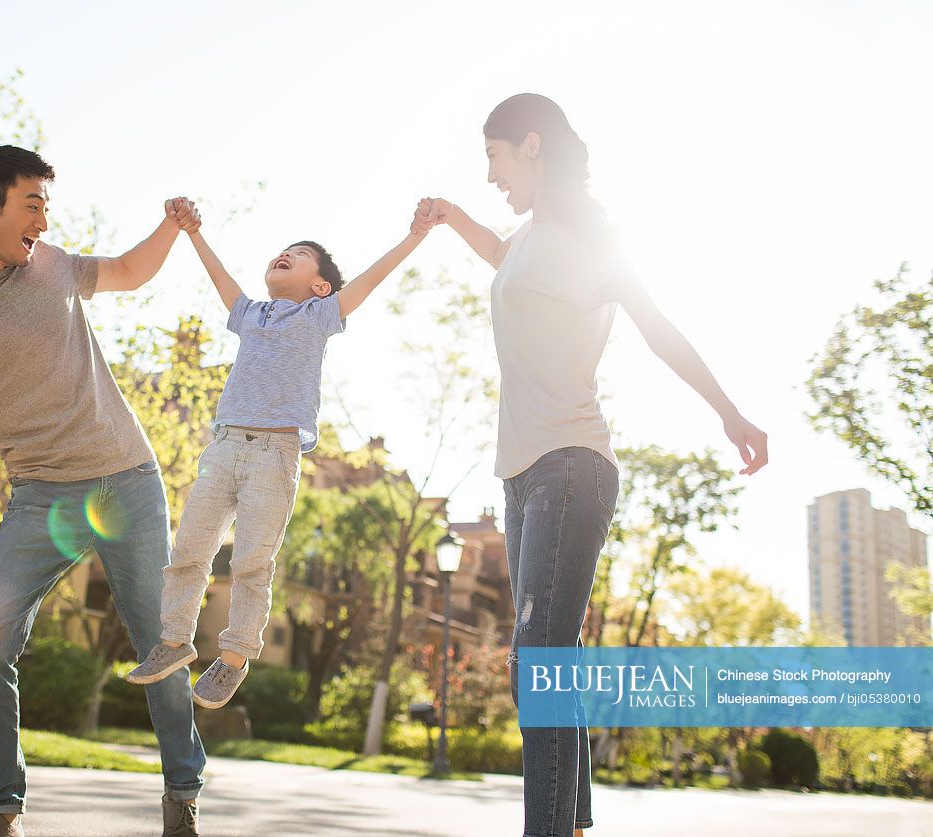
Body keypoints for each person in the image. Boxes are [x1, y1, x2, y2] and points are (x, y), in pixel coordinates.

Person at [422, 93, 768, 837]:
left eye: (493, 155)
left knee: (536, 662)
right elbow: (497, 251)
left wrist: (729, 412)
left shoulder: (591, 245)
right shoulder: (523, 239)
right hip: (521, 476)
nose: (489, 174)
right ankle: (571, 823)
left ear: (532, 146)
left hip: (569, 468)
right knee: (551, 658)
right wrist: (451, 216)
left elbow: (658, 328)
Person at [0, 145, 207, 837]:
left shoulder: (50, 264)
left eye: (46, 205)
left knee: (159, 643)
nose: (41, 219)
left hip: (126, 477)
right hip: (41, 495)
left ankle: (181, 794)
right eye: (31, 203)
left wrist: (172, 226)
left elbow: (127, 272)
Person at [125, 200, 436, 710]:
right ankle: (175, 641)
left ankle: (233, 658)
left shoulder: (319, 316)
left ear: (320, 286)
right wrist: (193, 232)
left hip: (275, 453)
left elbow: (369, 280)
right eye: (282, 251)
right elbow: (219, 276)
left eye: (299, 254)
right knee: (188, 550)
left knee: (251, 561)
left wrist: (415, 236)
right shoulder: (250, 314)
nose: (283, 255)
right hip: (224, 447)